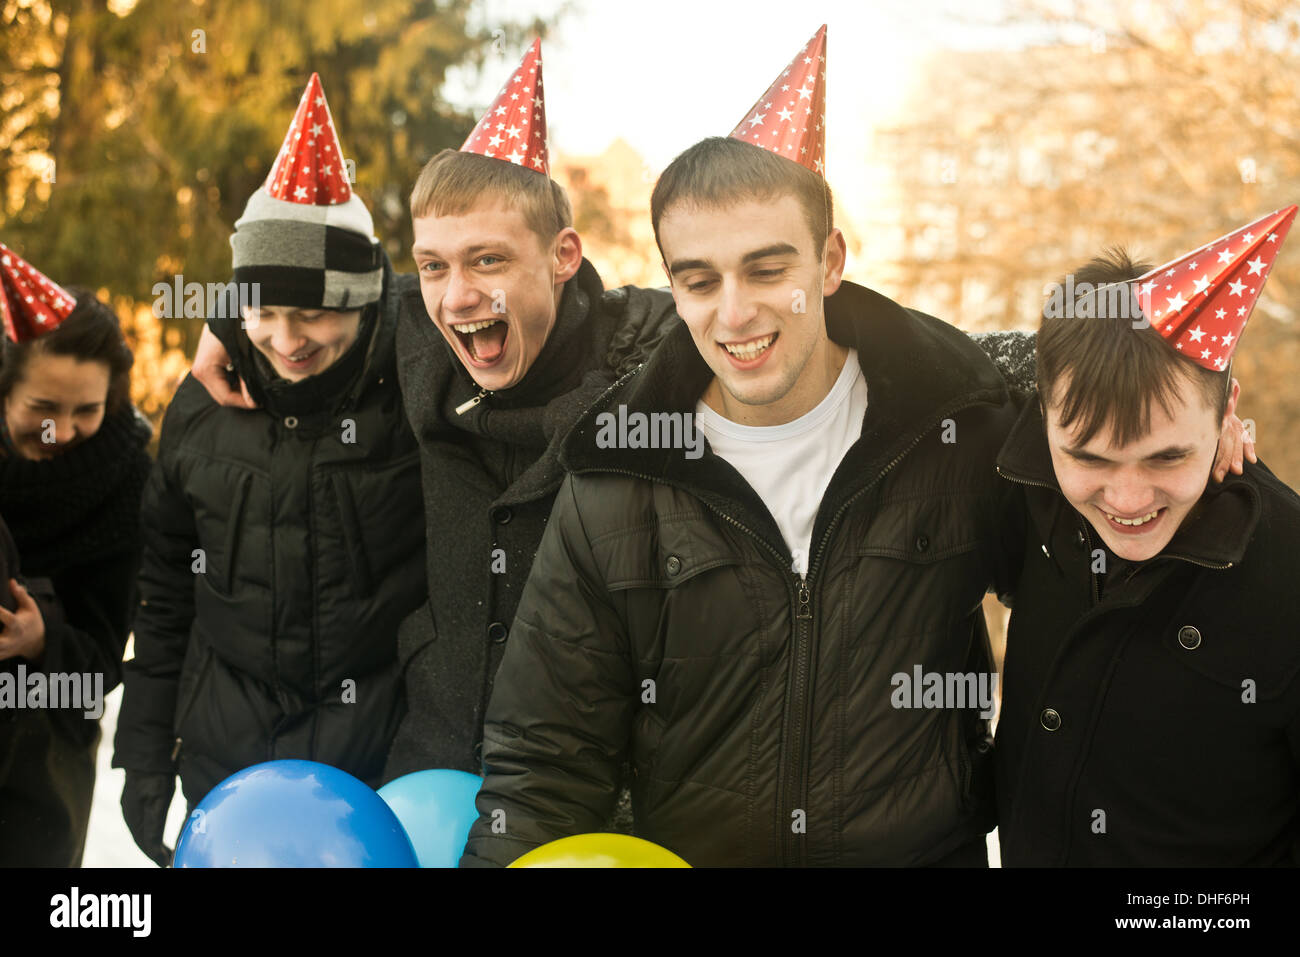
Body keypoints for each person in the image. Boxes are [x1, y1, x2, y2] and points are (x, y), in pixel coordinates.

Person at [460, 27, 1027, 867]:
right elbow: (544, 767)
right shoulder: (614, 479)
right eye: (699, 280)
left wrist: (1205, 435)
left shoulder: (958, 433)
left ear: (830, 261)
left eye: (768, 270)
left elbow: (1111, 560)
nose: (734, 313)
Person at [188, 45, 679, 832]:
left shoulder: (646, 360)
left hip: (584, 797)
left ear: (563, 257)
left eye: (488, 260)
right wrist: (226, 326)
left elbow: (728, 312)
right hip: (431, 763)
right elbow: (319, 281)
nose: (457, 295)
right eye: (434, 265)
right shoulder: (415, 328)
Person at [112, 74, 426, 866]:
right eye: (262, 311)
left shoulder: (418, 383)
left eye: (315, 311)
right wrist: (145, 753)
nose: (287, 339)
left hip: (381, 772)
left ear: (362, 301)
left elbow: (442, 295)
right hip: (230, 774)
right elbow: (163, 596)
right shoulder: (203, 407)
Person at [994, 207, 1300, 865]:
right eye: (1090, 458)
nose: (1127, 500)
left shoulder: (1287, 568)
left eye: (1167, 457)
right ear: (1041, 416)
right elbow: (919, 355)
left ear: (1227, 412)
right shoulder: (1024, 484)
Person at [0, 243, 151, 866]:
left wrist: (44, 642)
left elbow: (104, 664)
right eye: (41, 409)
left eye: (85, 411)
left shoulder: (123, 487)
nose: (61, 432)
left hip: (42, 763)